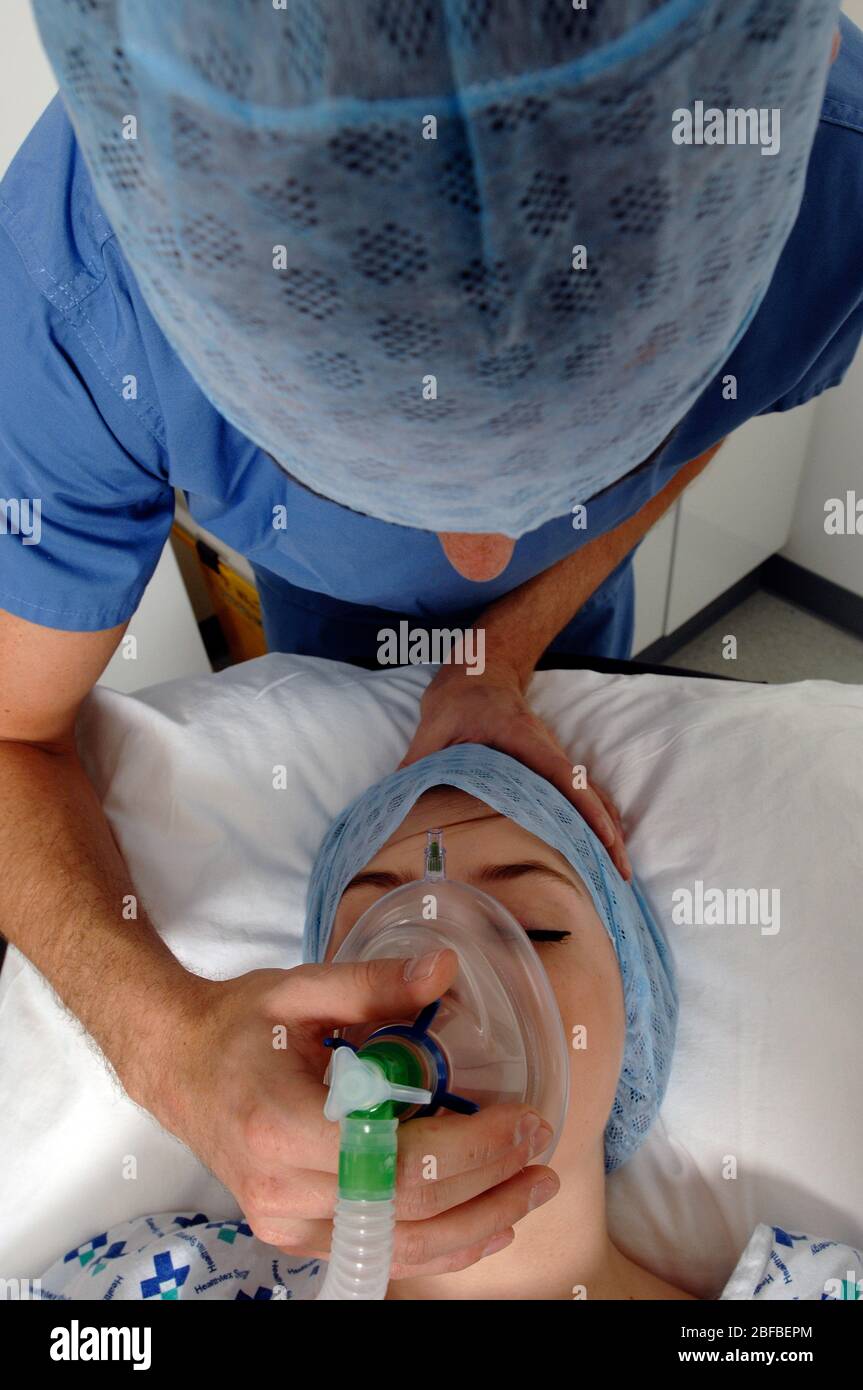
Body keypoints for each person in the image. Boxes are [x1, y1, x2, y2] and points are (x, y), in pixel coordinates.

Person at [1, 2, 859, 1279]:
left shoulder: (820, 195)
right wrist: (170, 1045)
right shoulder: (81, 298)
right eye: (370, 919)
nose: (474, 563)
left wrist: (508, 646)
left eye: (549, 923)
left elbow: (721, 397)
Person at [35, 747, 861, 1300]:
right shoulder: (170, 1279)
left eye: (536, 927)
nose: (444, 967)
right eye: (378, 935)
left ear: (638, 1005)